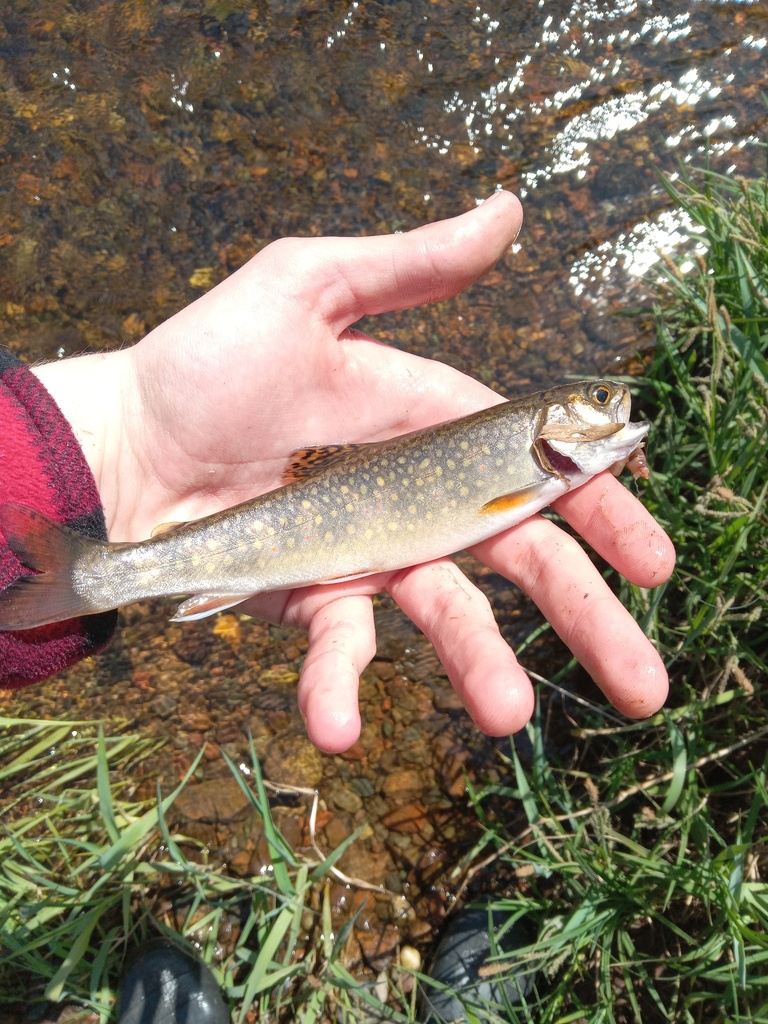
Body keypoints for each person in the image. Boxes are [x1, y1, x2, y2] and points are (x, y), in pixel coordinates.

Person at [0, 191, 675, 755]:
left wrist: (113, 435)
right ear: (551, 425)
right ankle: (94, 574)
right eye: (595, 404)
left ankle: (91, 573)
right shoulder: (533, 470)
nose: (610, 407)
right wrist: (127, 425)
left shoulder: (541, 464)